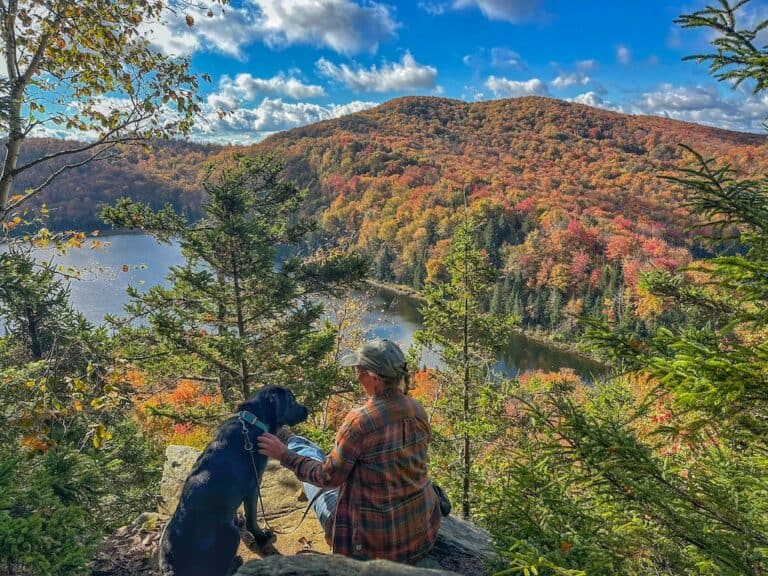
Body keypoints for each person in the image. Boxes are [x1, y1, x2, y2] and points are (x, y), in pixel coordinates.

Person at [257, 338, 442, 563]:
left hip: (370, 548)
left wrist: (283, 456)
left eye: (358, 371)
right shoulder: (416, 409)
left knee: (312, 461)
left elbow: (326, 477)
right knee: (323, 458)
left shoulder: (361, 421)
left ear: (374, 378)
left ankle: (289, 441)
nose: (356, 377)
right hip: (421, 537)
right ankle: (293, 441)